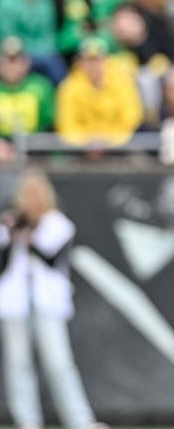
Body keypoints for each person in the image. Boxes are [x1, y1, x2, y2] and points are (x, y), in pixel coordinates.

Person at [0, 168, 107, 429]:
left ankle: (80, 420)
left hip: (48, 304)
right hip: (15, 304)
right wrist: (12, 234)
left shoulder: (56, 223)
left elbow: (51, 257)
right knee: (17, 364)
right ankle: (27, 421)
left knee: (59, 363)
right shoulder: (9, 224)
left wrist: (29, 236)